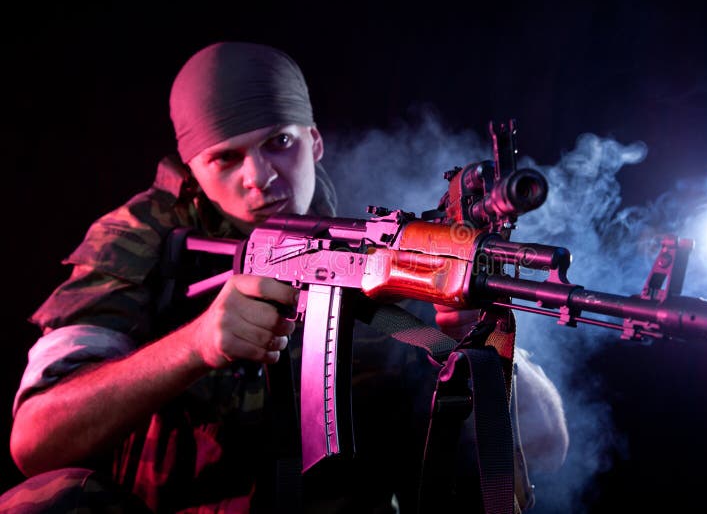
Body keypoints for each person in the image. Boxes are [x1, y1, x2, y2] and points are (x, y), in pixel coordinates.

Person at [3, 41, 568, 512]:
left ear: (314, 141)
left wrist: (483, 343)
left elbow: (546, 446)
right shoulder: (143, 236)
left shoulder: (387, 252)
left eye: (280, 143)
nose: (259, 178)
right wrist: (193, 346)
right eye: (226, 157)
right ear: (192, 167)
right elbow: (36, 440)